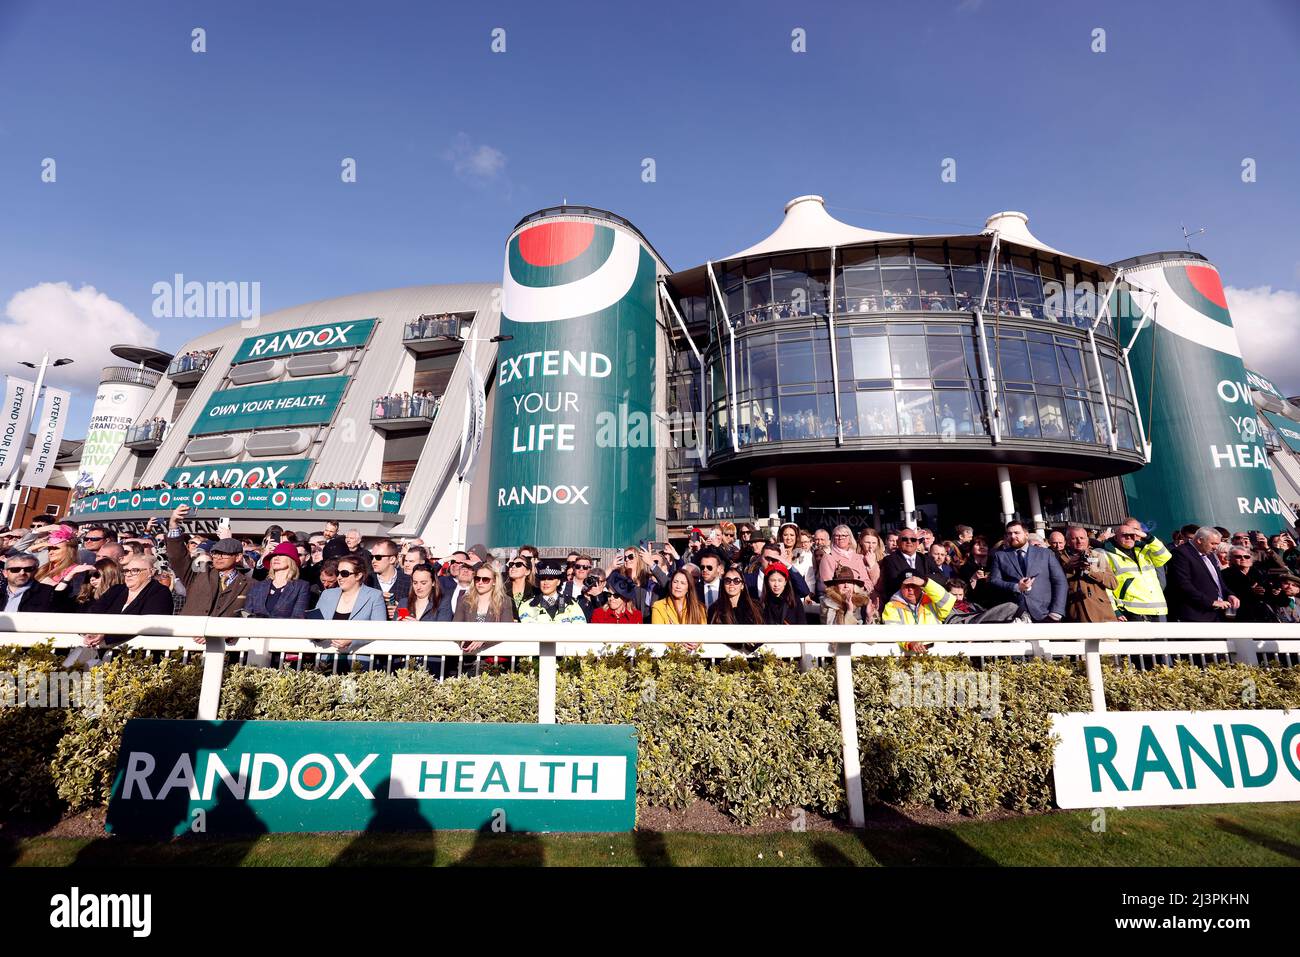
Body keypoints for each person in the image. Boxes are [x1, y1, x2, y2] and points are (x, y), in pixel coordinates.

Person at [84, 555, 174, 647]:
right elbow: (94, 612)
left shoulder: (160, 592)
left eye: (135, 570)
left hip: (139, 652)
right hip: (104, 650)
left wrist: (105, 634)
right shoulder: (116, 590)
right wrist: (93, 632)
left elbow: (147, 624)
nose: (129, 574)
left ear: (151, 572)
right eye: (126, 571)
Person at [310, 554, 388, 655]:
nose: (339, 577)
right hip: (326, 656)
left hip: (358, 657)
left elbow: (379, 630)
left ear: (359, 575)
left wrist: (352, 640)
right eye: (338, 573)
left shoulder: (374, 596)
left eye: (344, 573)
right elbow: (315, 625)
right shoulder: (327, 594)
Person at [1101, 517, 1172, 622]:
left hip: (1157, 609)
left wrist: (1148, 537)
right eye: (1125, 535)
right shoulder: (1106, 554)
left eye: (1134, 533)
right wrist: (1115, 610)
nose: (1129, 537)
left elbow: (1165, 556)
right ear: (1116, 537)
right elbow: (1106, 587)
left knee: (1160, 639)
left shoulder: (1145, 549)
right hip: (1131, 611)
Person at [1166, 526, 1239, 622]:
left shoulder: (1210, 554)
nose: (1216, 548)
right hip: (1194, 616)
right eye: (1213, 543)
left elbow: (1217, 582)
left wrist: (1229, 594)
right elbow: (1182, 584)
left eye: (1217, 544)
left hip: (1215, 615)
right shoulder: (1180, 553)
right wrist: (1211, 602)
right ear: (1200, 540)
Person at [1059, 526, 1120, 623]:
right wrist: (1068, 568)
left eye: (1082, 538)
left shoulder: (1097, 556)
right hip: (1075, 614)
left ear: (1087, 539)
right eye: (1074, 538)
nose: (1079, 541)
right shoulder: (1059, 558)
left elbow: (1113, 583)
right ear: (1068, 541)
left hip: (1102, 613)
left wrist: (1091, 570)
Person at [881, 574, 953, 654]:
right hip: (908, 655)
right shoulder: (892, 606)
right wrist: (910, 642)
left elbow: (948, 600)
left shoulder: (932, 600)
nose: (910, 590)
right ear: (901, 587)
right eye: (907, 586)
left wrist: (926, 583)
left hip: (937, 652)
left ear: (921, 587)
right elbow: (893, 629)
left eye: (914, 586)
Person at [245, 542, 310, 619]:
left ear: (291, 560)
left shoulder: (301, 586)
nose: (276, 557)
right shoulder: (257, 586)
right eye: (274, 555)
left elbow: (297, 617)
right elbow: (247, 614)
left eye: (282, 555)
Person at [879, 527, 946, 600]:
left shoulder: (925, 558)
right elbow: (895, 582)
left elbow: (941, 577)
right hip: (901, 602)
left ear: (917, 543)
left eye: (913, 539)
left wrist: (923, 580)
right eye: (905, 539)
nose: (909, 542)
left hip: (925, 602)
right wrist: (925, 579)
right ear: (898, 542)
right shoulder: (889, 560)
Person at [1223, 546, 1284, 623]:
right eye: (1238, 557)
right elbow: (1227, 595)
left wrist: (1274, 592)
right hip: (1242, 617)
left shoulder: (1260, 572)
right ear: (1230, 559)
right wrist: (1250, 592)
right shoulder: (1225, 574)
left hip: (1266, 615)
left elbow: (1283, 569)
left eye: (1246, 556)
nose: (1243, 559)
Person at [518, 558, 587, 623]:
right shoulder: (528, 605)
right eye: (543, 579)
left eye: (550, 579)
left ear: (558, 582)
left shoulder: (570, 604)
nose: (545, 582)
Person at [818, 525, 873, 600]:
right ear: (833, 538)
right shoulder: (828, 558)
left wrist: (858, 591)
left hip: (860, 600)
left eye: (844, 535)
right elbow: (826, 585)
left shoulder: (859, 558)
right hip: (838, 602)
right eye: (837, 535)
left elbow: (867, 582)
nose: (840, 538)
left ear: (850, 538)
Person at [367, 539, 411, 620]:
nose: (373, 561)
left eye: (378, 557)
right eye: (371, 557)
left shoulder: (409, 582)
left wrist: (400, 610)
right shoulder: (367, 581)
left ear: (392, 559)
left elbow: (416, 612)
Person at [437, 555, 477, 621]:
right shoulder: (446, 591)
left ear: (474, 574)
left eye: (470, 569)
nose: (466, 571)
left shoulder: (478, 593)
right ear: (457, 572)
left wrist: (477, 564)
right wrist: (443, 560)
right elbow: (428, 575)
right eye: (463, 568)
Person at [694, 548, 728, 612]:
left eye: (709, 567)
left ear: (719, 568)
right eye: (702, 567)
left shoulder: (726, 587)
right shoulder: (694, 588)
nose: (705, 570)